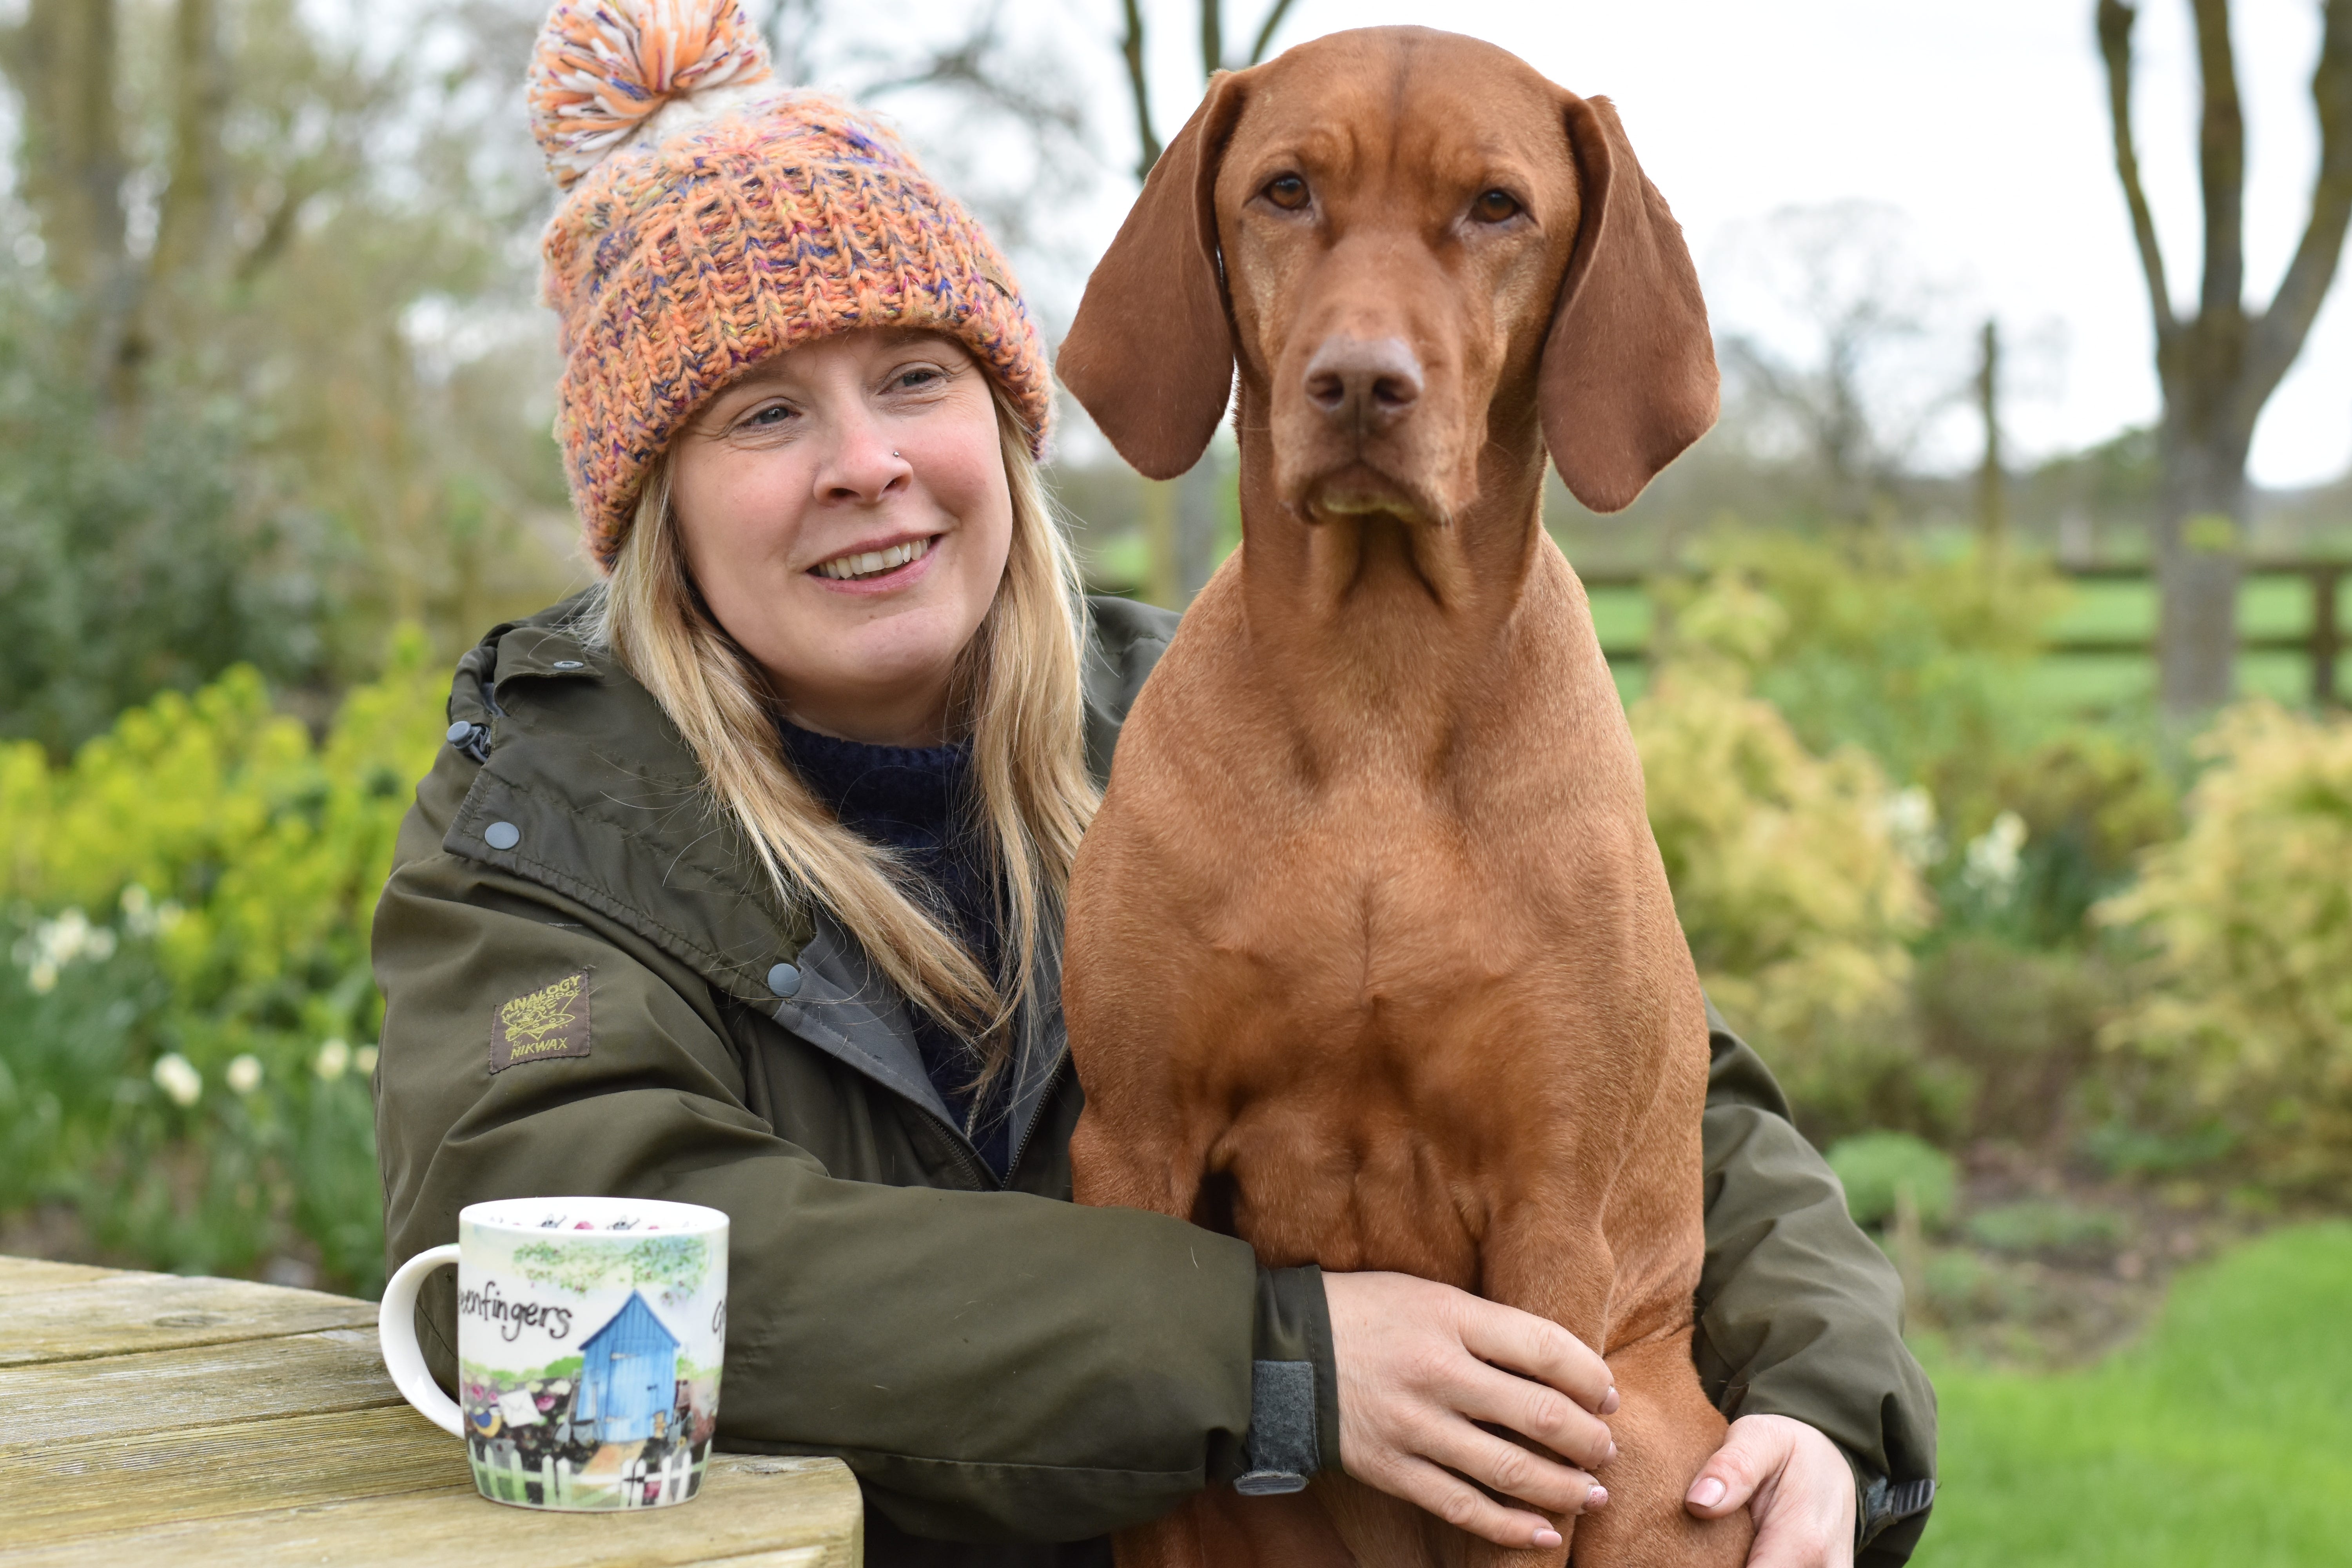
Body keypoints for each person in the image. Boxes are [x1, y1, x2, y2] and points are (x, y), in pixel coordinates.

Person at [372, 5, 1935, 1564]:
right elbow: (553, 1256)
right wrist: (1272, 1359)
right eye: (765, 414)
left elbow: (1679, 1088)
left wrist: (1826, 1396)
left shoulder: (1200, 718)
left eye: (916, 377)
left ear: (1002, 419)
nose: (866, 463)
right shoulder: (549, 819)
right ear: (654, 502)